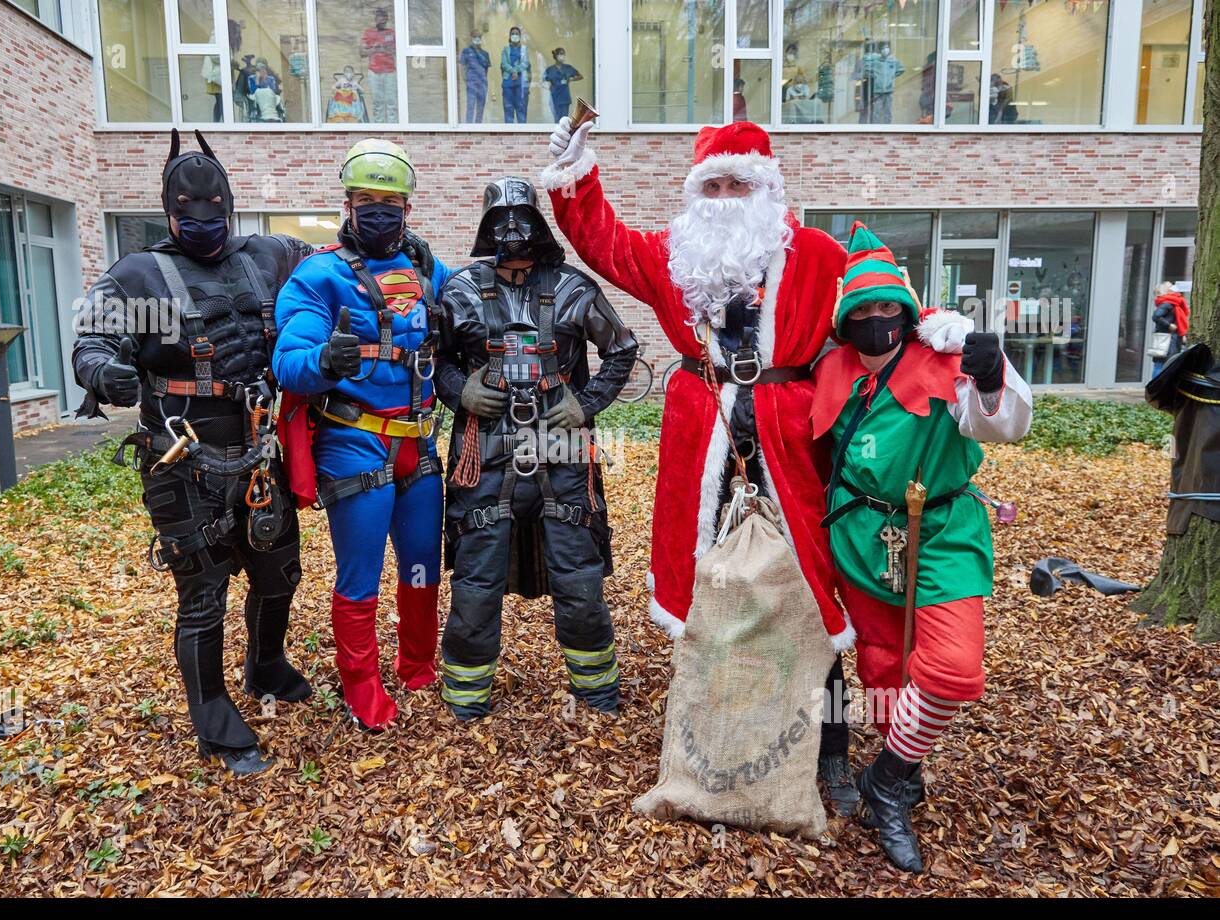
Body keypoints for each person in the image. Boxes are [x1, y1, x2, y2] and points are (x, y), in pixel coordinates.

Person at [540, 118, 865, 812]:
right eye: (711, 184)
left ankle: (832, 752)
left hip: (791, 438)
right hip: (703, 437)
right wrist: (576, 175)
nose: (723, 195)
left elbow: (878, 304)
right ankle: (720, 737)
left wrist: (938, 331)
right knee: (710, 581)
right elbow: (605, 243)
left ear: (765, 188)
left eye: (736, 182)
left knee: (813, 584)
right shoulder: (676, 254)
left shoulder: (816, 254)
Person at [72, 130, 314, 775]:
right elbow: (91, 340)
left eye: (214, 213)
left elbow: (339, 263)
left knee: (277, 569)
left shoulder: (271, 255)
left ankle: (266, 664)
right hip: (185, 458)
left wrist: (410, 252)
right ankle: (213, 717)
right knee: (203, 592)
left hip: (262, 450)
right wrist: (104, 374)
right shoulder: (137, 274)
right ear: (168, 211)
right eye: (187, 214)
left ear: (229, 208)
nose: (202, 224)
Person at [811, 222, 1032, 872]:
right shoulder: (829, 369)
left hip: (941, 531)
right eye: (864, 311)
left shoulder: (946, 354)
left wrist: (989, 376)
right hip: (860, 534)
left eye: (889, 310)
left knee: (954, 669)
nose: (877, 321)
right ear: (846, 318)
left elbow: (1003, 422)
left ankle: (884, 778)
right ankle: (901, 775)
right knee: (883, 666)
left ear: (906, 314)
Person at [434, 178, 637, 720]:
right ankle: (466, 700)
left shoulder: (575, 288)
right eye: (499, 221)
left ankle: (596, 695)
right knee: (475, 580)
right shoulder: (458, 292)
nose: (512, 230)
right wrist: (461, 392)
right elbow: (435, 362)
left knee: (578, 575)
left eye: (522, 217)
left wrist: (586, 404)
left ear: (540, 224)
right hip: (485, 451)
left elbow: (623, 349)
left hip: (563, 450)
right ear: (485, 229)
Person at [272, 140, 451, 732]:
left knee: (424, 562)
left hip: (419, 442)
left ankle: (418, 664)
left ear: (408, 208)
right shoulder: (318, 274)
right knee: (360, 572)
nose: (379, 211)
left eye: (390, 201)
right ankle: (361, 685)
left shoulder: (429, 270)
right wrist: (329, 358)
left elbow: (476, 318)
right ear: (347, 205)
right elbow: (287, 364)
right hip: (355, 440)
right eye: (367, 200)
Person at [362, 7, 398, 124]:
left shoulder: (392, 33)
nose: (381, 21)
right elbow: (362, 53)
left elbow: (399, 52)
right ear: (375, 19)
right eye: (379, 18)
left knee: (391, 102)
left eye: (383, 18)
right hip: (374, 72)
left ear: (386, 19)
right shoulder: (369, 33)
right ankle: (379, 128)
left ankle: (393, 128)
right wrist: (374, 48)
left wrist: (387, 49)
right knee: (377, 102)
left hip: (390, 71)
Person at [1152, 281, 1191, 376]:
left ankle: (1158, 387)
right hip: (1167, 339)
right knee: (1161, 364)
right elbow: (1156, 316)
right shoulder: (1167, 304)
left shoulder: (1173, 304)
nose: (1172, 288)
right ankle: (1154, 388)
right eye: (1168, 287)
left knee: (1164, 364)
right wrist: (1169, 325)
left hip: (1171, 339)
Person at [542, 48, 582, 123]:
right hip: (554, 97)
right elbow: (543, 81)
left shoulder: (568, 68)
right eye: (560, 54)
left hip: (564, 97)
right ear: (556, 56)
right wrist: (548, 87)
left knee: (564, 119)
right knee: (556, 118)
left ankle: (563, 133)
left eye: (563, 54)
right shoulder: (550, 70)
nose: (562, 56)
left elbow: (580, 76)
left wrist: (571, 79)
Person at [501, 27, 531, 124]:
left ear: (520, 36)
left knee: (521, 107)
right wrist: (513, 71)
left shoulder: (524, 49)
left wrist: (516, 71)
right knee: (508, 107)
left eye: (517, 33)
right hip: (508, 82)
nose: (515, 35)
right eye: (513, 33)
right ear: (510, 36)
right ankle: (509, 133)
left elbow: (525, 63)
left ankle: (522, 133)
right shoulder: (505, 50)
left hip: (520, 82)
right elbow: (504, 64)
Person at [461, 32, 491, 124]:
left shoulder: (485, 54)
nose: (477, 39)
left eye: (479, 37)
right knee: (470, 105)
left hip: (482, 83)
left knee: (480, 106)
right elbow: (462, 67)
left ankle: (478, 126)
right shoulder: (466, 51)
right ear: (471, 38)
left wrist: (483, 80)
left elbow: (486, 69)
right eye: (475, 37)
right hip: (471, 83)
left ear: (481, 39)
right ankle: (468, 127)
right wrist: (465, 79)